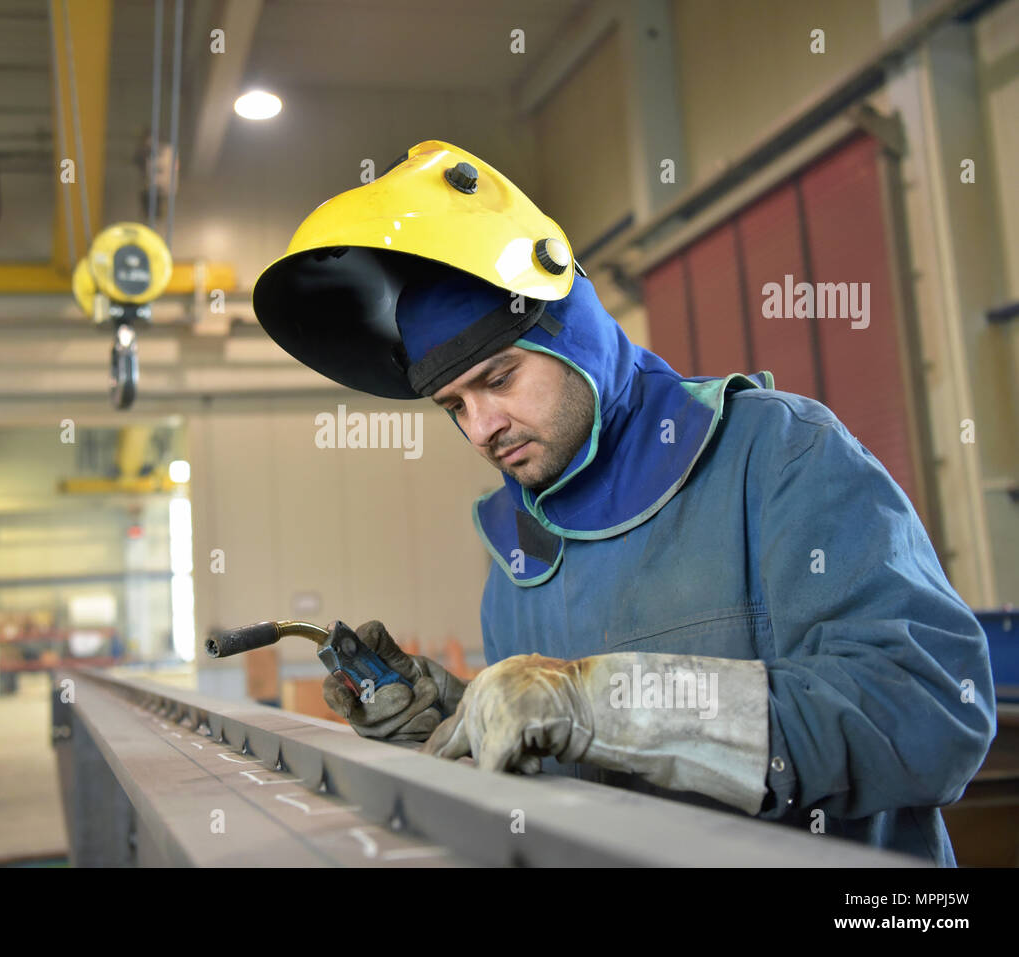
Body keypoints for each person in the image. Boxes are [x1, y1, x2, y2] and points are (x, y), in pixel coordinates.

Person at [250, 140, 996, 865]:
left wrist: (608, 706)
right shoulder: (517, 545)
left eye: (500, 380)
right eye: (454, 406)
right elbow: (564, 774)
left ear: (570, 333)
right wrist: (459, 720)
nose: (482, 428)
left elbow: (932, 711)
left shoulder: (775, 455)